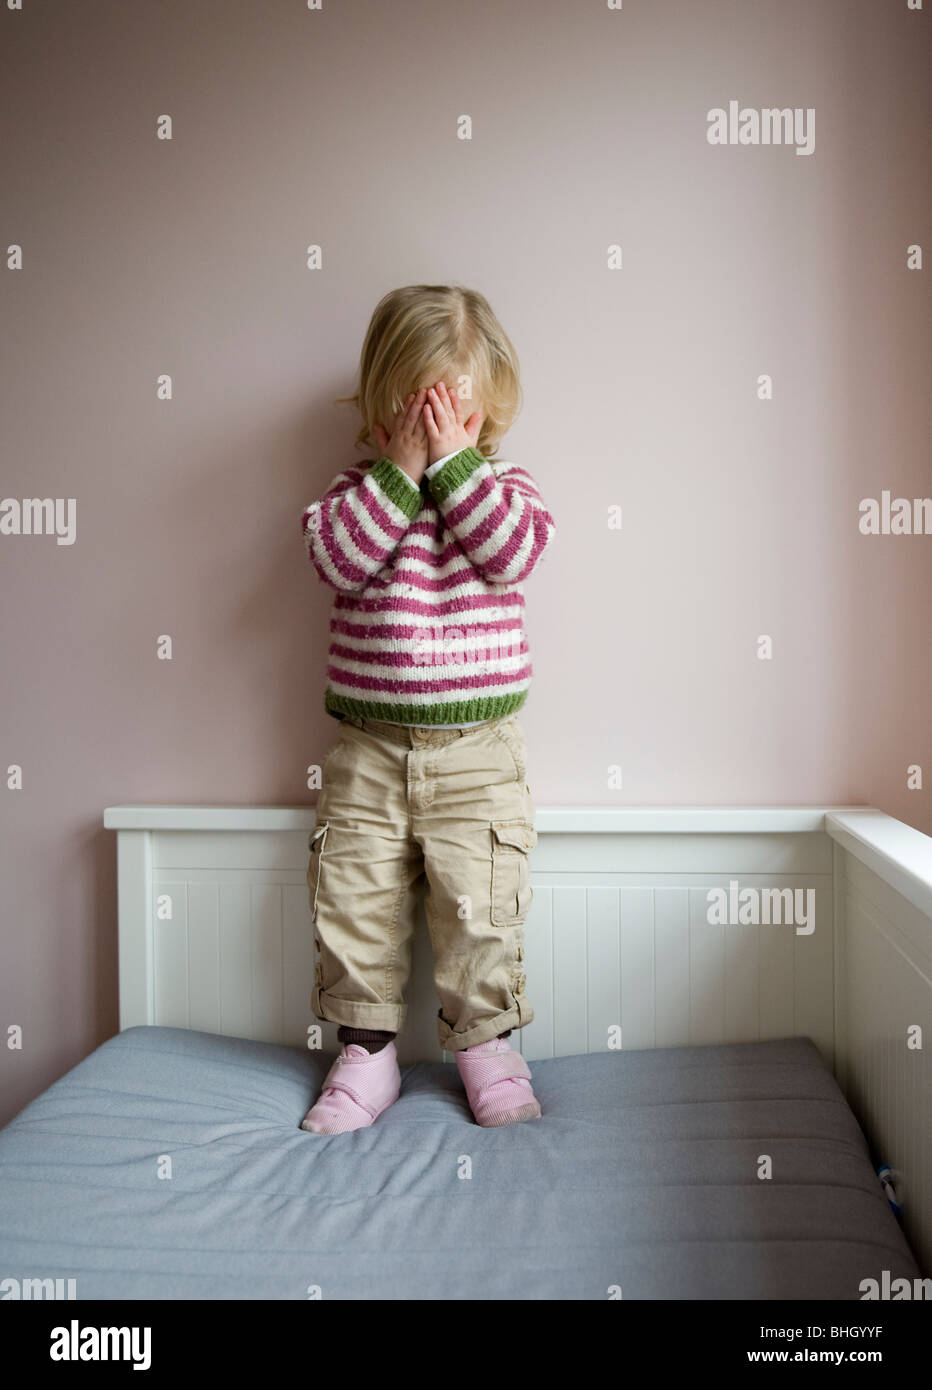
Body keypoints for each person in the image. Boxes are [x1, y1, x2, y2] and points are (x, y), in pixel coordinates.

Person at [299, 284, 556, 1134]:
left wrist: (452, 467)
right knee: (354, 900)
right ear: (380, 412)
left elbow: (511, 552)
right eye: (418, 416)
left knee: (482, 905)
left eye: (456, 417)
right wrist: (402, 472)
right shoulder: (357, 495)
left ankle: (488, 1049)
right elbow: (338, 559)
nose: (437, 430)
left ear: (488, 416)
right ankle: (365, 1055)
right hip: (368, 749)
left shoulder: (505, 488)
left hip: (479, 752)